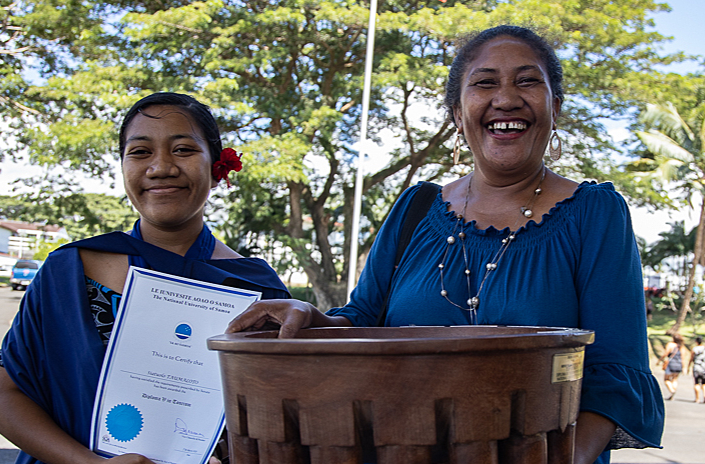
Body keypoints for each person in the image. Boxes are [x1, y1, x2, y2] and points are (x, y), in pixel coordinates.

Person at [227, 25, 664, 464]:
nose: (507, 98)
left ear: (556, 107)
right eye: (485, 82)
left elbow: (614, 375)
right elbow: (362, 320)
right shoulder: (416, 207)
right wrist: (309, 317)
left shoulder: (595, 212)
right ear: (457, 113)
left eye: (528, 81)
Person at [0, 92, 290, 464]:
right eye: (140, 152)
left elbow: (278, 422)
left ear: (216, 166)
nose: (160, 167)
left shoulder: (257, 290)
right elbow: (1, 398)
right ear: (123, 166)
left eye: (183, 150)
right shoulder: (68, 271)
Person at [657, 333, 684, 400]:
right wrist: (683, 367)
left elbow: (666, 353)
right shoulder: (681, 347)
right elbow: (682, 358)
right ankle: (673, 390)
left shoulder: (670, 344)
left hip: (671, 364)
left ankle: (672, 390)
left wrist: (659, 360)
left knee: (666, 379)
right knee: (675, 379)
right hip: (678, 364)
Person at [690, 336, 705, 403]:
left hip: (697, 367)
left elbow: (691, 358)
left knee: (696, 382)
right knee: (704, 382)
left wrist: (688, 366)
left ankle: (697, 398)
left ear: (696, 342)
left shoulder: (694, 349)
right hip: (704, 368)